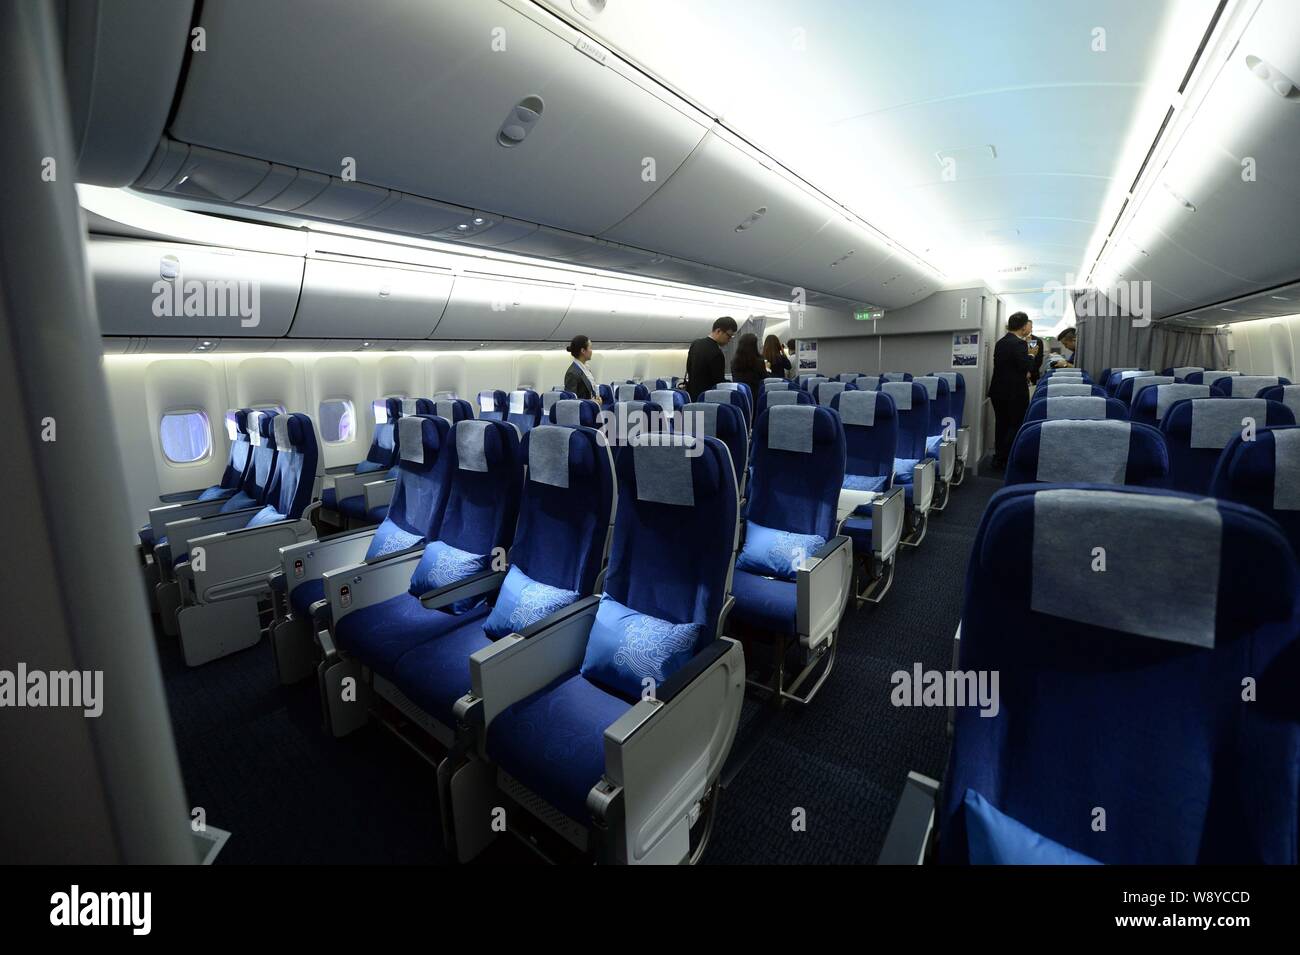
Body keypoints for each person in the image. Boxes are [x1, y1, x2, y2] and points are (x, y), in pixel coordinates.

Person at [988, 311, 1038, 470]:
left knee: (1001, 424)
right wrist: (1031, 355)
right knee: (1015, 424)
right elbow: (1027, 367)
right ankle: (1007, 458)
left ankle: (998, 458)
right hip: (1014, 392)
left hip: (997, 391)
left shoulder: (1000, 342)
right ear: (1023, 328)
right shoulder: (1020, 344)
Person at [685, 316, 737, 400]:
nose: (729, 340)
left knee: (692, 413)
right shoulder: (717, 353)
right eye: (729, 336)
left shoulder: (695, 344)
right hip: (708, 400)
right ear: (718, 331)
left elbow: (689, 368)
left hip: (691, 399)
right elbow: (719, 383)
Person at [731, 332, 766, 400]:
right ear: (754, 345)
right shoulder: (759, 361)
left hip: (739, 394)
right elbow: (764, 378)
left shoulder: (734, 362)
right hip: (756, 395)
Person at [563, 334, 599, 401]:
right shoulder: (572, 373)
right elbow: (571, 401)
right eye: (590, 348)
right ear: (583, 351)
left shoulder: (586, 368)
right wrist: (591, 402)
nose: (592, 351)